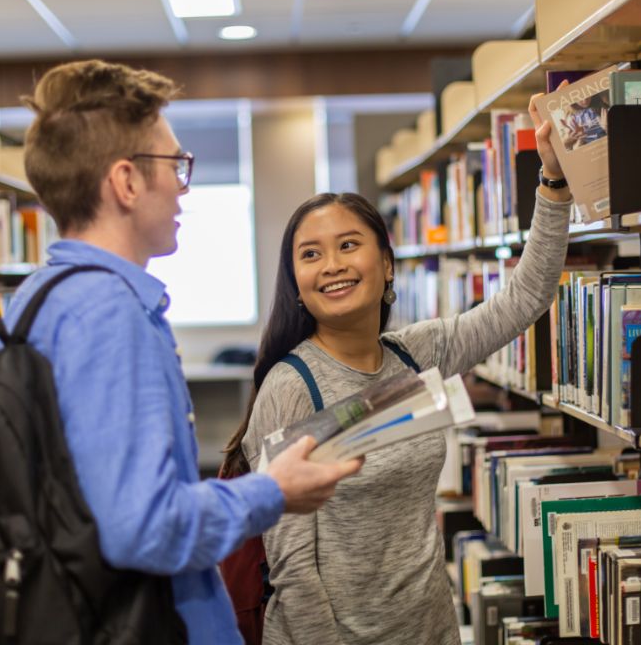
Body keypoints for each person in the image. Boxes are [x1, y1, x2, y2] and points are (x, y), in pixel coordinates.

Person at [0, 60, 362, 643]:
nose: (185, 186)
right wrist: (272, 491)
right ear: (126, 182)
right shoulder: (111, 315)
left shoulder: (27, 303)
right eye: (175, 165)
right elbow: (142, 528)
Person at [222, 92, 573, 644]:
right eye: (310, 254)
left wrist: (553, 181)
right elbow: (292, 567)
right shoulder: (292, 387)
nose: (332, 265)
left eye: (348, 245)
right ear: (296, 284)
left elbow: (525, 299)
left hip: (430, 629)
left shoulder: (417, 356)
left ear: (386, 264)